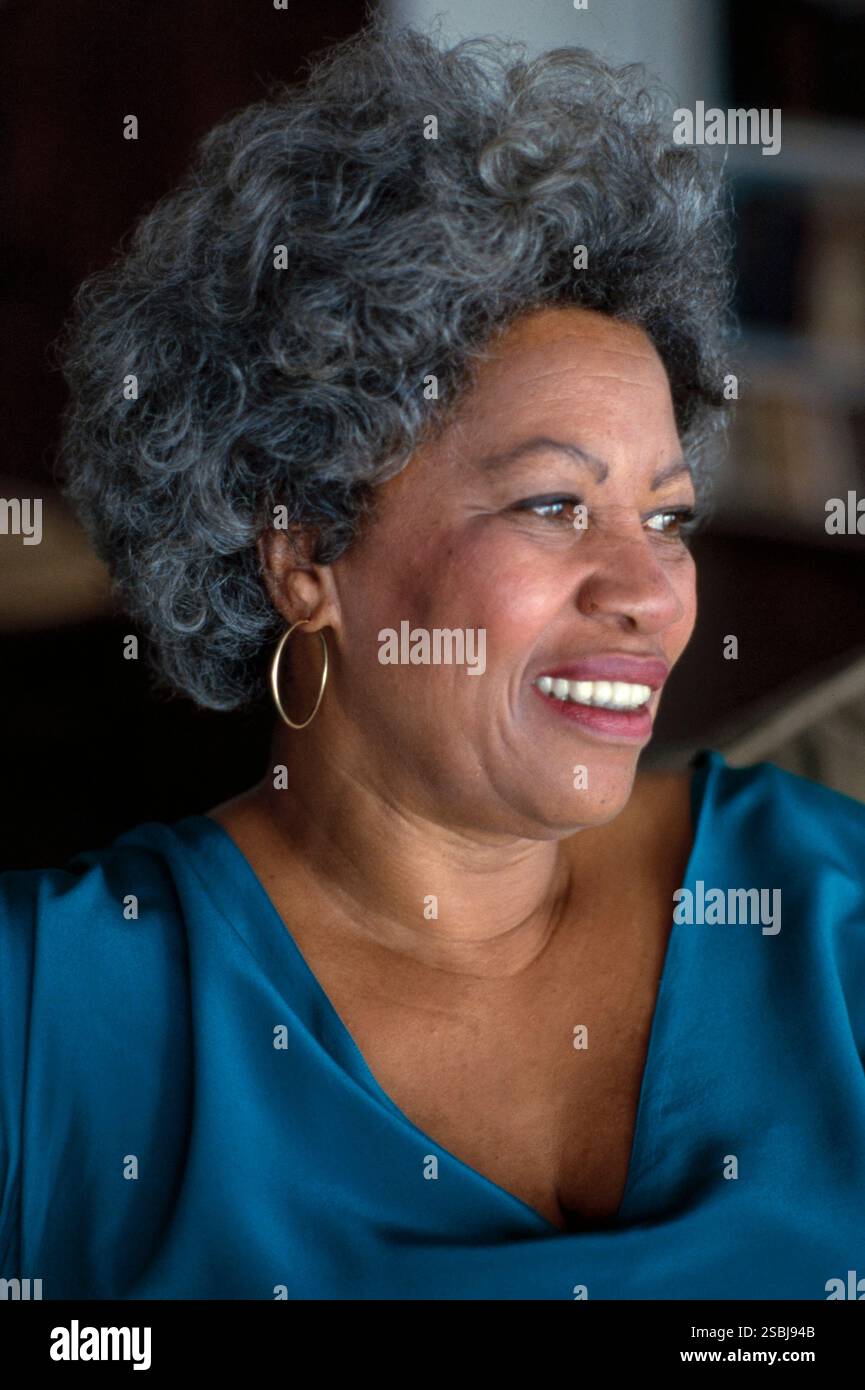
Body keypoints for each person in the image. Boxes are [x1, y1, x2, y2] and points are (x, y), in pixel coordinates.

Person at [2, 19, 863, 1300]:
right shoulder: (54, 1017)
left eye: (667, 517)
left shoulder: (825, 906)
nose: (647, 593)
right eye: (551, 505)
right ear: (305, 555)